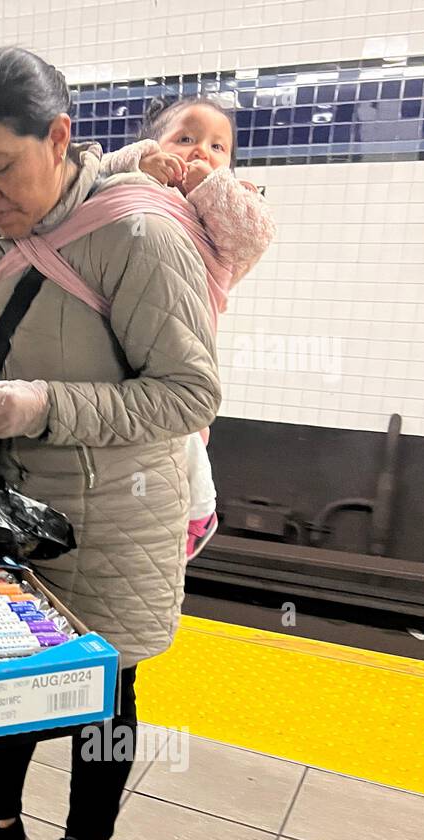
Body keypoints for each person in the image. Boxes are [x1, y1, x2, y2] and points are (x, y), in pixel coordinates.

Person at [0, 48, 220, 840]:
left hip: (115, 514)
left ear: (60, 137)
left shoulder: (141, 236)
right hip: (7, 506)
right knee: (12, 675)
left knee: (103, 689)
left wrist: (39, 404)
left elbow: (189, 392)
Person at [101, 95, 277, 560]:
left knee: (179, 430)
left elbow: (253, 234)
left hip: (182, 344)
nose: (202, 152)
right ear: (152, 146)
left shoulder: (225, 206)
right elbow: (91, 176)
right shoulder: (130, 192)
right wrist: (138, 162)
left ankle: (200, 512)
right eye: (185, 139)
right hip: (119, 338)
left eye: (219, 148)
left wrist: (211, 186)